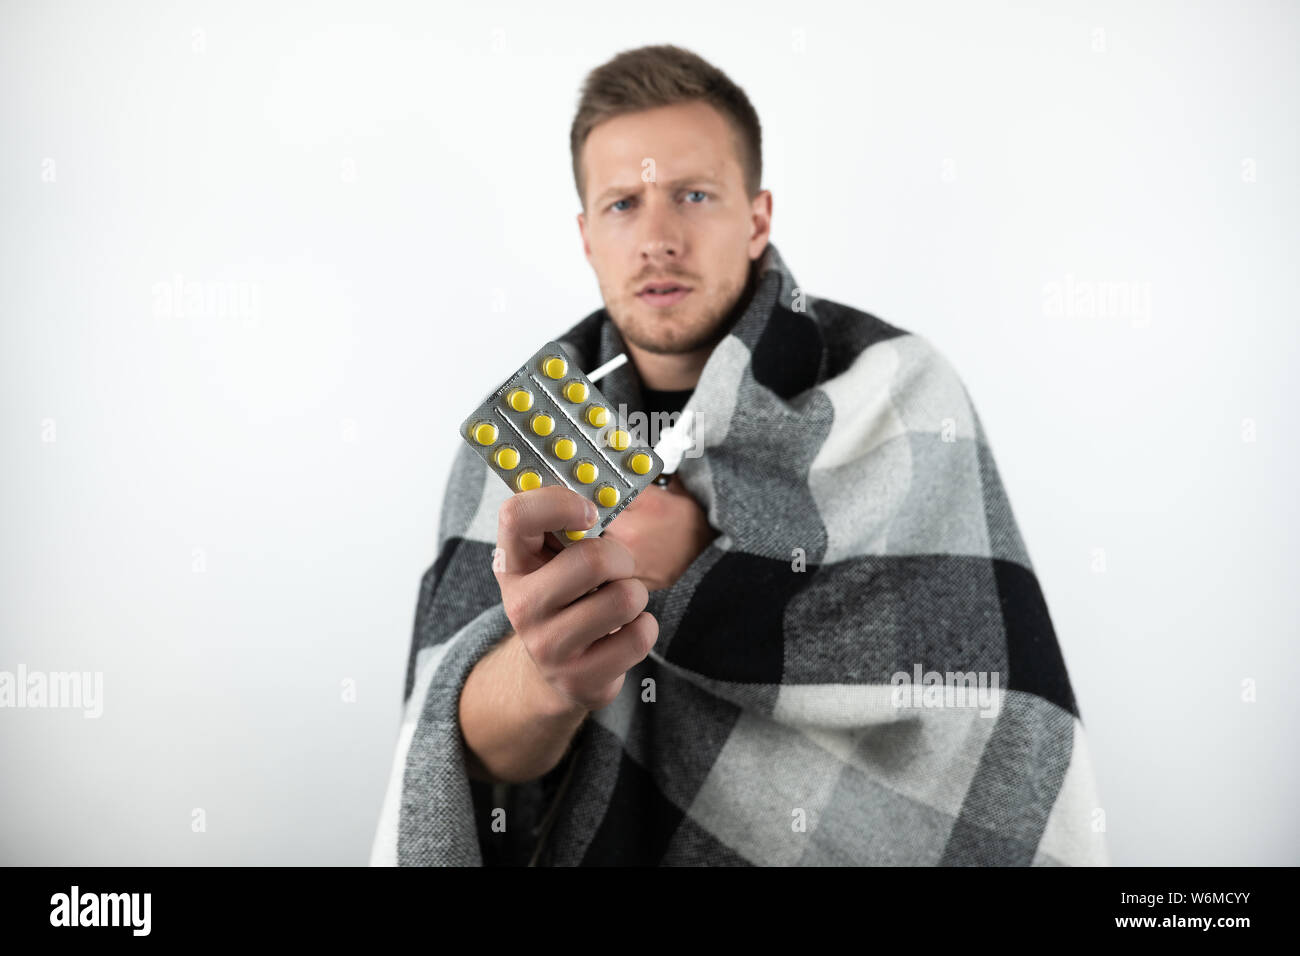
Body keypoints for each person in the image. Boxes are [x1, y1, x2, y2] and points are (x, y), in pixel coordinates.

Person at [371, 44, 1108, 867]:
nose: (657, 238)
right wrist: (549, 676)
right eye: (622, 204)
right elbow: (453, 749)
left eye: (693, 194)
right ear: (586, 238)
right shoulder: (531, 437)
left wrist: (708, 566)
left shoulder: (898, 388)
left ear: (757, 218)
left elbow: (991, 703)